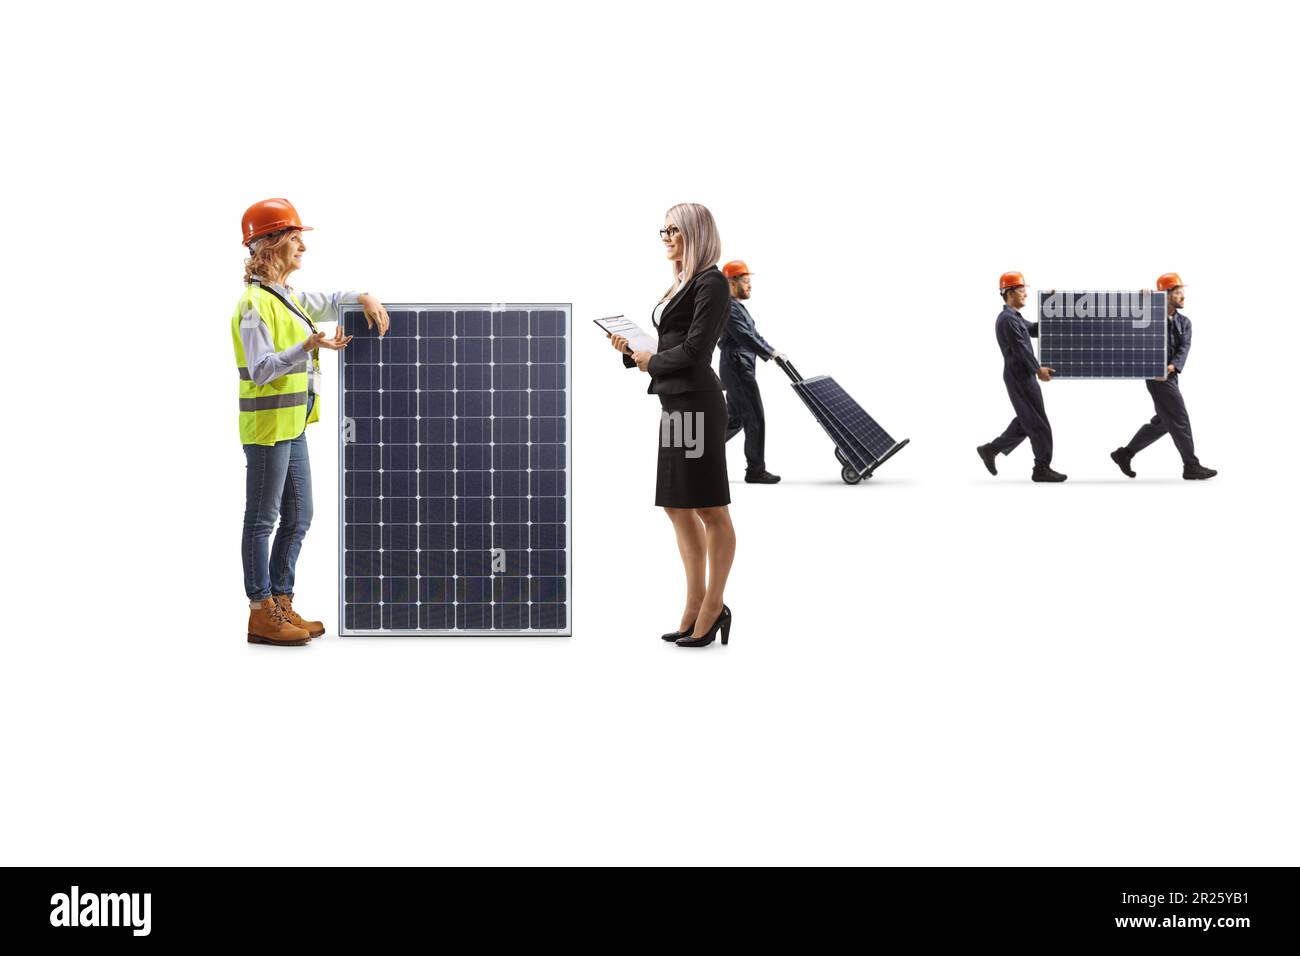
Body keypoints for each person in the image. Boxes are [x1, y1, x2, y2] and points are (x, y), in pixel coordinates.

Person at [232, 198, 390, 646]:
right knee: (263, 520)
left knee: (300, 515)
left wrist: (363, 294)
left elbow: (331, 299)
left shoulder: (288, 298)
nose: (302, 244)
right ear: (269, 245)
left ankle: (282, 600)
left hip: (293, 425)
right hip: (267, 431)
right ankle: (261, 611)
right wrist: (308, 346)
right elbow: (261, 369)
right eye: (294, 236)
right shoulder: (252, 306)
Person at [608, 203, 735, 648]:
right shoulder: (681, 283)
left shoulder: (713, 281)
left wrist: (652, 360)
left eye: (673, 230)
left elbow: (697, 351)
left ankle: (713, 605)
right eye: (662, 230)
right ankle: (694, 602)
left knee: (709, 508)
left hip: (697, 406)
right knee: (677, 505)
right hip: (675, 406)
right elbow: (673, 344)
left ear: (695, 233)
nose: (665, 237)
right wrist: (634, 352)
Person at [1110, 274, 1217, 480]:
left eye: (1182, 292)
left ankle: (1124, 454)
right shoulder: (1150, 316)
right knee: (1179, 418)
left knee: (1164, 422)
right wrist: (1143, 300)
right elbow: (1130, 324)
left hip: (1170, 375)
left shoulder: (1185, 322)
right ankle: (1191, 465)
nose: (1182, 296)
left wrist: (1172, 366)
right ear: (1165, 296)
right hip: (1156, 377)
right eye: (1177, 292)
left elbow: (1184, 347)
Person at [976, 272, 1067, 482]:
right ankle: (1041, 468)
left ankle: (990, 449)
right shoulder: (1007, 320)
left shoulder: (1014, 317)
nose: (1025, 294)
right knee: (1038, 423)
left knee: (1027, 420)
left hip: (1021, 374)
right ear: (1009, 293)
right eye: (1021, 290)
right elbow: (1020, 349)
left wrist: (1050, 306)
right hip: (1020, 375)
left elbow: (1034, 329)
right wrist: (1037, 369)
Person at [718, 260, 783, 484]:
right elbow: (744, 337)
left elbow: (754, 335)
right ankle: (755, 471)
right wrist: (770, 353)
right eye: (746, 281)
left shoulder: (736, 306)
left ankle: (698, 454)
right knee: (754, 417)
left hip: (740, 365)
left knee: (735, 419)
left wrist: (773, 351)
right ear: (731, 282)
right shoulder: (727, 306)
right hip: (736, 366)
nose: (750, 286)